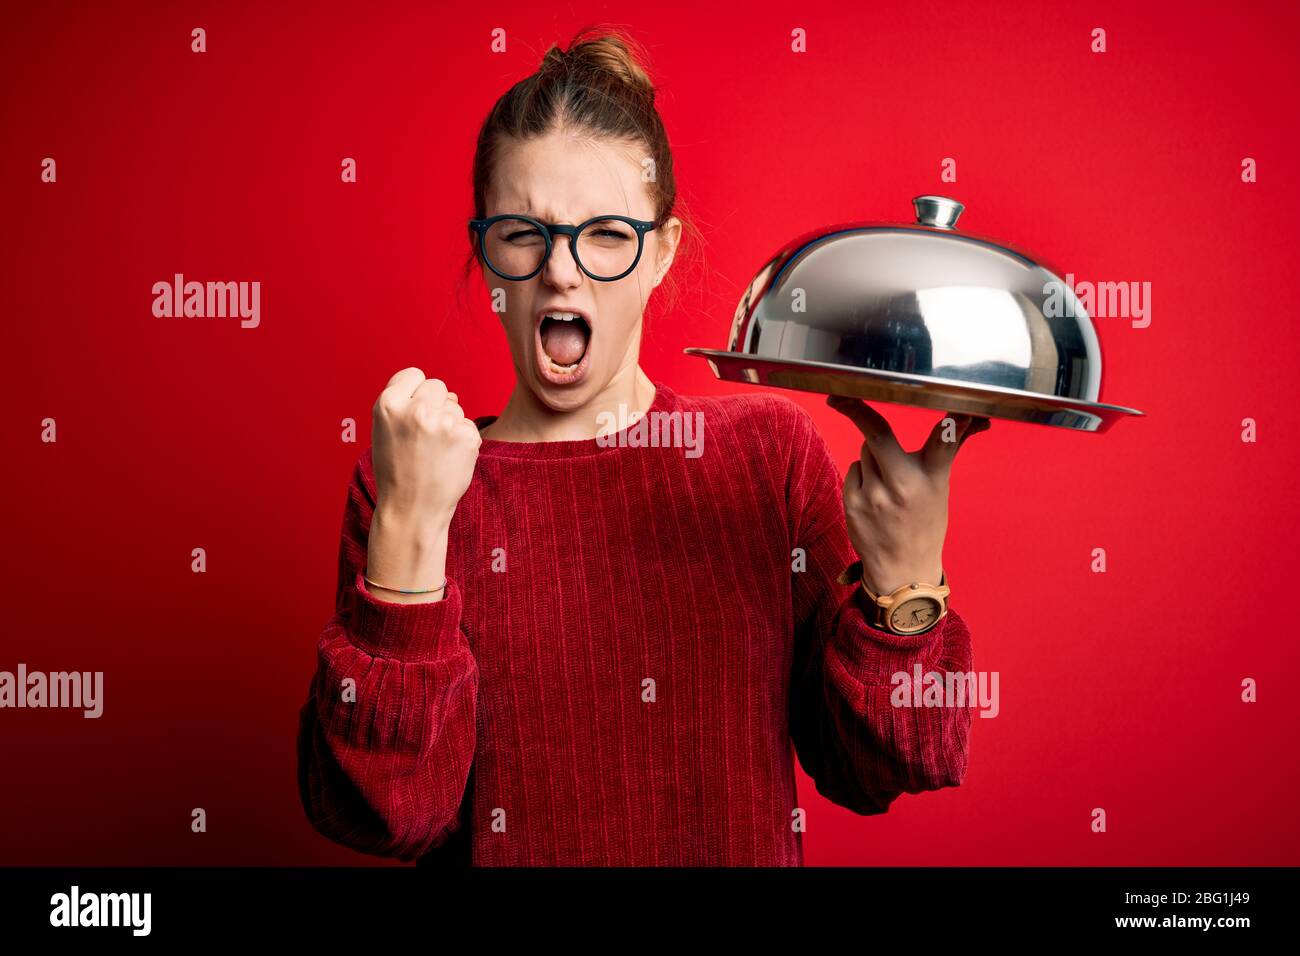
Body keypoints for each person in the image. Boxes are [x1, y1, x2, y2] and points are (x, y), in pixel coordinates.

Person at [296, 26, 988, 867]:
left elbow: (881, 765)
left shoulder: (764, 458)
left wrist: (906, 582)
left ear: (661, 252)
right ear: (486, 258)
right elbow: (384, 814)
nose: (561, 272)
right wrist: (410, 527)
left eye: (607, 234)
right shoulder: (409, 481)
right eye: (524, 232)